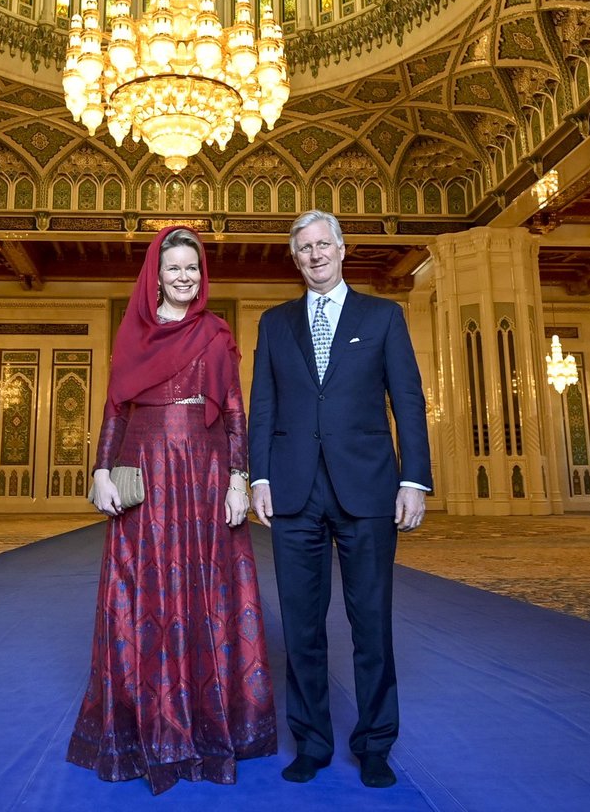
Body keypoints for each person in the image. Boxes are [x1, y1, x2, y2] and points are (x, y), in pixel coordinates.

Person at [67, 225, 277, 794]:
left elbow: (234, 411)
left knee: (208, 590)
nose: (185, 277)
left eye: (193, 268)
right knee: (143, 592)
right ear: (156, 275)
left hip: (206, 471)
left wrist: (238, 479)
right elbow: (114, 410)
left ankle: (211, 729)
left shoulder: (215, 333)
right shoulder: (133, 333)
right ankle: (146, 731)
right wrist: (101, 470)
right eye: (174, 268)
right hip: (145, 468)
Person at [248, 210, 430, 789]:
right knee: (301, 625)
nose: (315, 254)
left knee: (370, 622)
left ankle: (376, 744)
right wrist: (259, 478)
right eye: (304, 248)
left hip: (369, 488)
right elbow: (265, 406)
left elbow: (408, 400)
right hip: (294, 490)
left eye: (324, 244)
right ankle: (311, 742)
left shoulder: (384, 316)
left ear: (343, 249)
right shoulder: (275, 324)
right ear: (295, 258)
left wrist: (414, 480)